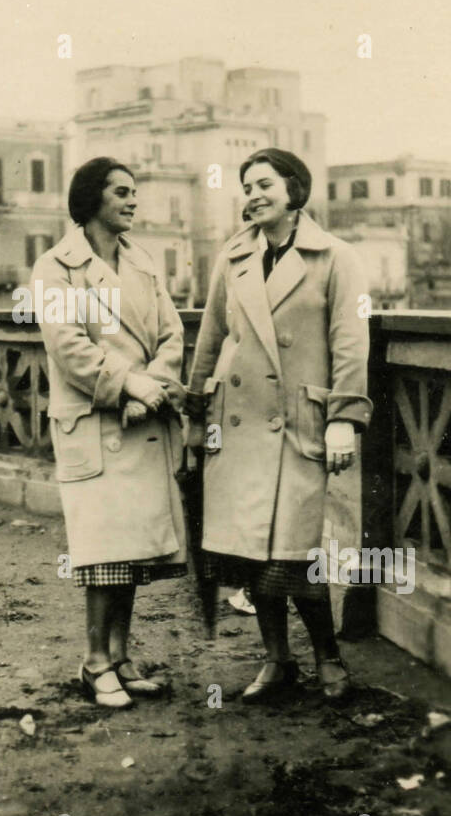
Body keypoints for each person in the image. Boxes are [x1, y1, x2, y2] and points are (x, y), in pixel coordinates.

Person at [186, 148, 372, 701]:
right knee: (248, 550)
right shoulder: (232, 257)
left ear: (295, 190)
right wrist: (197, 415)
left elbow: (350, 342)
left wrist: (344, 416)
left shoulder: (337, 256)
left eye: (264, 183)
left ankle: (329, 660)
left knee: (295, 551)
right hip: (237, 427)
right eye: (246, 186)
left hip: (299, 423)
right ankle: (277, 661)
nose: (252, 195)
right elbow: (210, 340)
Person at [32, 157, 187, 709]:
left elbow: (172, 335)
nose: (132, 201)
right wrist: (129, 387)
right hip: (94, 426)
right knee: (103, 553)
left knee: (131, 552)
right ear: (91, 199)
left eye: (134, 192)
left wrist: (154, 386)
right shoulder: (56, 267)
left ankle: (120, 658)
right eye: (121, 192)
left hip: (141, 422)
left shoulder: (143, 264)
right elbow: (68, 346)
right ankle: (95, 661)